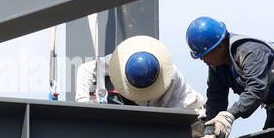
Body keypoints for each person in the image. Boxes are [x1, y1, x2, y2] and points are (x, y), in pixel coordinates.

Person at [73, 35, 205, 114]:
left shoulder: (172, 82)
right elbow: (86, 69)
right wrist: (83, 104)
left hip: (187, 111)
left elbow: (173, 116)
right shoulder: (119, 60)